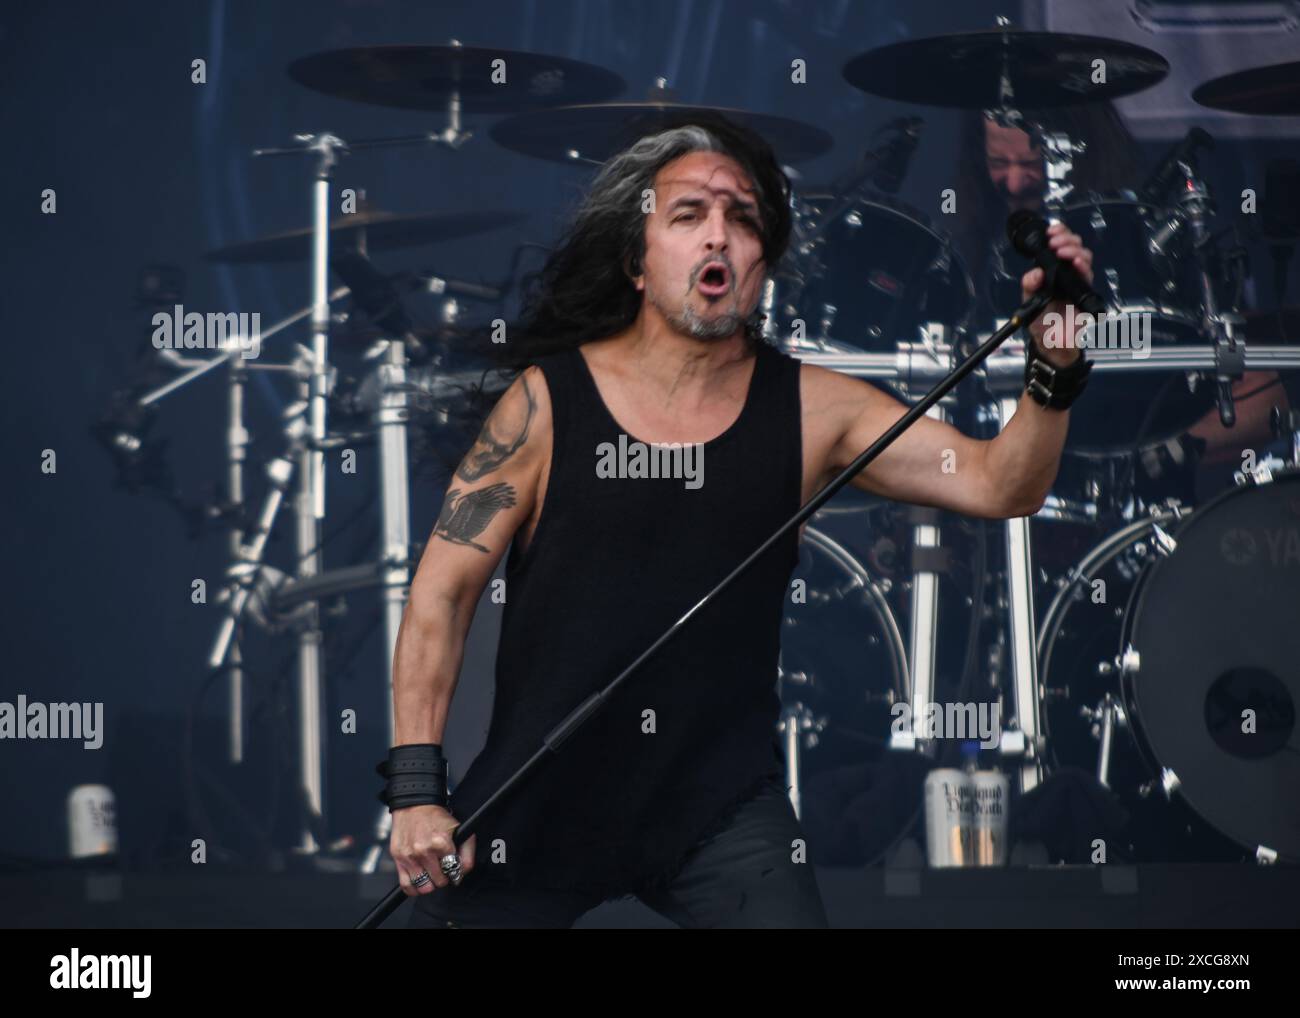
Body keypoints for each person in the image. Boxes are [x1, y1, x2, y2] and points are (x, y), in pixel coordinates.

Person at [384, 114, 1095, 929]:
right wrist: (415, 794)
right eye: (688, 214)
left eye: (744, 217)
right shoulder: (545, 405)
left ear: (764, 262)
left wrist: (1056, 366)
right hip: (538, 793)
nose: (719, 234)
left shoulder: (815, 409)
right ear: (637, 261)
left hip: (717, 807)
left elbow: (1000, 483)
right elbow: (439, 597)